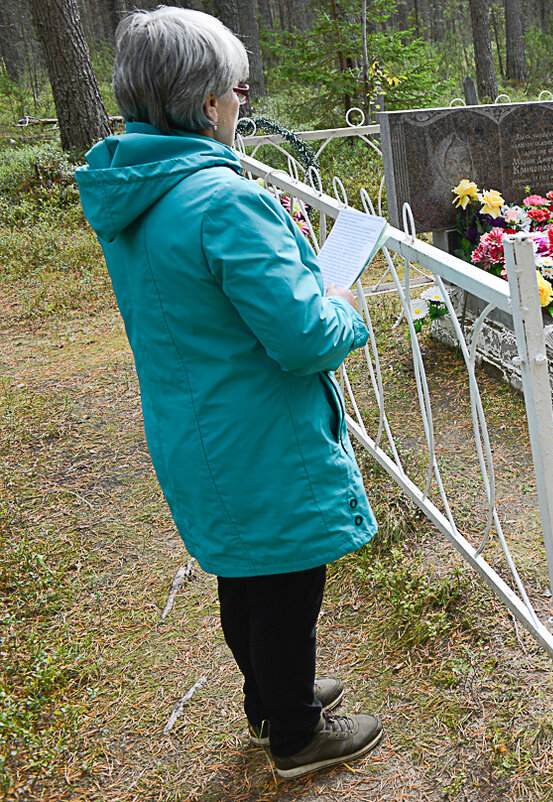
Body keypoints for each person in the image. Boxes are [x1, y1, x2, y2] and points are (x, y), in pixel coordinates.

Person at [75, 7, 383, 780]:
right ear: (208, 103)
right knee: (288, 583)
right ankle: (298, 735)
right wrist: (342, 300)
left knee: (243, 575)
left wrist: (284, 248)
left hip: (197, 427)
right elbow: (307, 334)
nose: (244, 102)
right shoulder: (222, 200)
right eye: (238, 88)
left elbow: (203, 298)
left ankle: (268, 702)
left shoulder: (138, 190)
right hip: (259, 433)